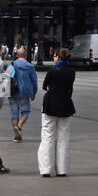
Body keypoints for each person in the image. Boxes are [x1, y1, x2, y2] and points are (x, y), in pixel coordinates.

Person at [38, 47, 76, 177]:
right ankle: (62, 169)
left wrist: (51, 87)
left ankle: (46, 169)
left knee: (48, 137)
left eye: (54, 56)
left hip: (50, 106)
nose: (53, 58)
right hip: (66, 105)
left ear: (58, 57)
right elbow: (70, 88)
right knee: (63, 138)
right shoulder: (71, 71)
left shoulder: (53, 70)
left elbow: (45, 86)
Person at [7, 47, 38, 140]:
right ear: (26, 56)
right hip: (25, 93)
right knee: (26, 111)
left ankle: (16, 135)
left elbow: (7, 79)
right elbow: (34, 81)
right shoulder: (30, 67)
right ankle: (19, 125)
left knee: (14, 113)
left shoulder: (11, 65)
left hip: (13, 93)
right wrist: (34, 92)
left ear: (17, 56)